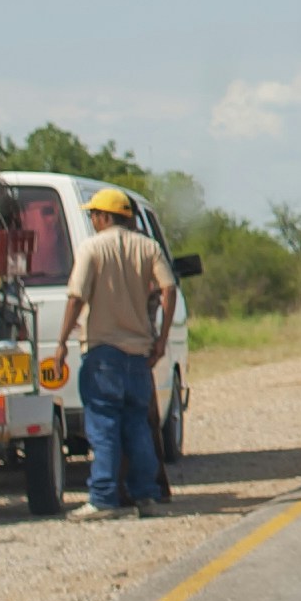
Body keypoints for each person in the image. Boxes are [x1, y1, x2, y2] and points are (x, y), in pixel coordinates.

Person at [63, 186, 177, 519]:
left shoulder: (92, 248)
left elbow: (76, 296)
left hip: (103, 353)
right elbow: (168, 288)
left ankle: (103, 499)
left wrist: (60, 341)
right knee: (137, 425)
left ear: (103, 216)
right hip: (139, 353)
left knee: (103, 427)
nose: (93, 220)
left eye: (93, 215)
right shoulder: (149, 247)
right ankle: (146, 496)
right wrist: (162, 338)